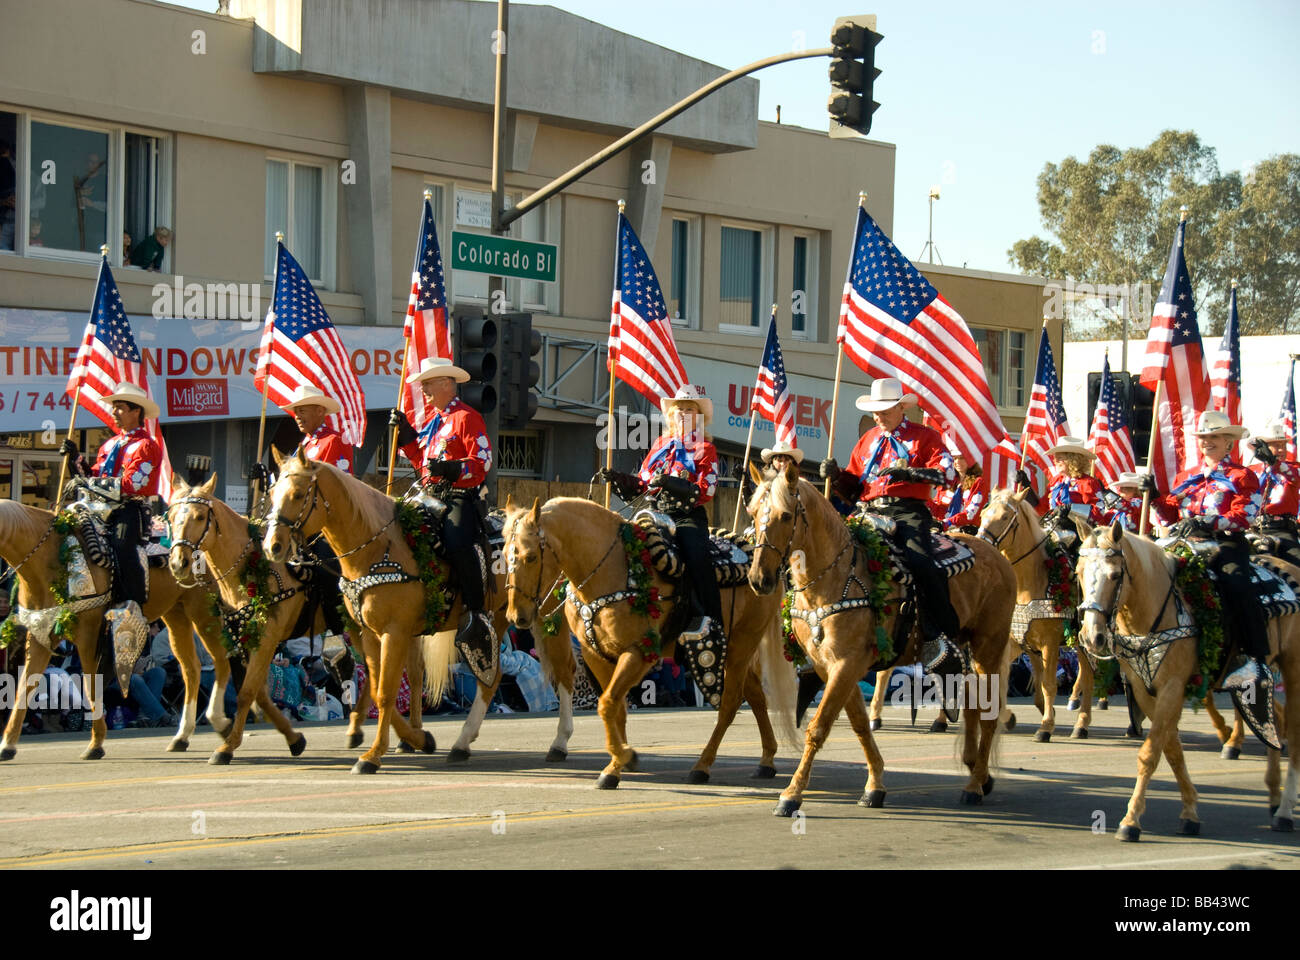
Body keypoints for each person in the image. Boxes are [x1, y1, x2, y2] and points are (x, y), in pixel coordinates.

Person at [1147, 409, 1277, 748]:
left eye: (1214, 438)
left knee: (1236, 583)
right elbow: (1171, 513)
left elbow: (1247, 514)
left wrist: (1208, 522)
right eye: (1203, 438)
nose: (1207, 443)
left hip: (1225, 545)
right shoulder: (1190, 475)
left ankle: (1255, 658)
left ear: (1229, 442)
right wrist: (1157, 495)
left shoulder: (1242, 475)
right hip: (1185, 545)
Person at [819, 377, 962, 676]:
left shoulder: (925, 437)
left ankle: (938, 633)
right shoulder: (868, 439)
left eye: (884, 411)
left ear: (900, 407)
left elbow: (948, 475)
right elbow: (855, 487)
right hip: (868, 512)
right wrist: (837, 475)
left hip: (908, 513)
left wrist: (910, 473)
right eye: (875, 411)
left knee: (921, 562)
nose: (878, 417)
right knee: (834, 555)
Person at [389, 356, 495, 683]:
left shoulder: (467, 417)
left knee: (457, 541)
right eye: (422, 385)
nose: (423, 390)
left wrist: (453, 468)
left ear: (447, 384)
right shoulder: (433, 422)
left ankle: (477, 613)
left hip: (459, 496)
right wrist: (407, 435)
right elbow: (423, 463)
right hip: (429, 496)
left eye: (429, 384)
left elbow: (482, 462)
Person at [598, 385, 721, 637]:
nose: (684, 414)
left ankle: (711, 620)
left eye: (690, 409)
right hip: (655, 512)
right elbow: (644, 481)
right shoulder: (661, 445)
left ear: (698, 416)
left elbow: (707, 489)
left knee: (696, 556)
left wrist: (674, 483)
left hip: (686, 515)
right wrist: (621, 479)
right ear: (672, 416)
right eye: (680, 410)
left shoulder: (705, 449)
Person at [59, 382, 161, 627]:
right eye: (114, 407)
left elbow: (131, 485)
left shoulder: (147, 446)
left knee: (122, 544)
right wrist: (75, 460)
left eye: (120, 408)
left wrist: (87, 485)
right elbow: (95, 475)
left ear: (136, 411)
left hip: (129, 510)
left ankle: (132, 603)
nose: (114, 412)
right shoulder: (109, 445)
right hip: (98, 509)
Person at [933, 453, 985, 534]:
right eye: (955, 458)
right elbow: (938, 509)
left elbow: (971, 513)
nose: (957, 462)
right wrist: (924, 501)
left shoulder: (979, 482)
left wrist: (948, 523)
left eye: (962, 458)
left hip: (967, 532)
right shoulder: (948, 481)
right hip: (943, 530)